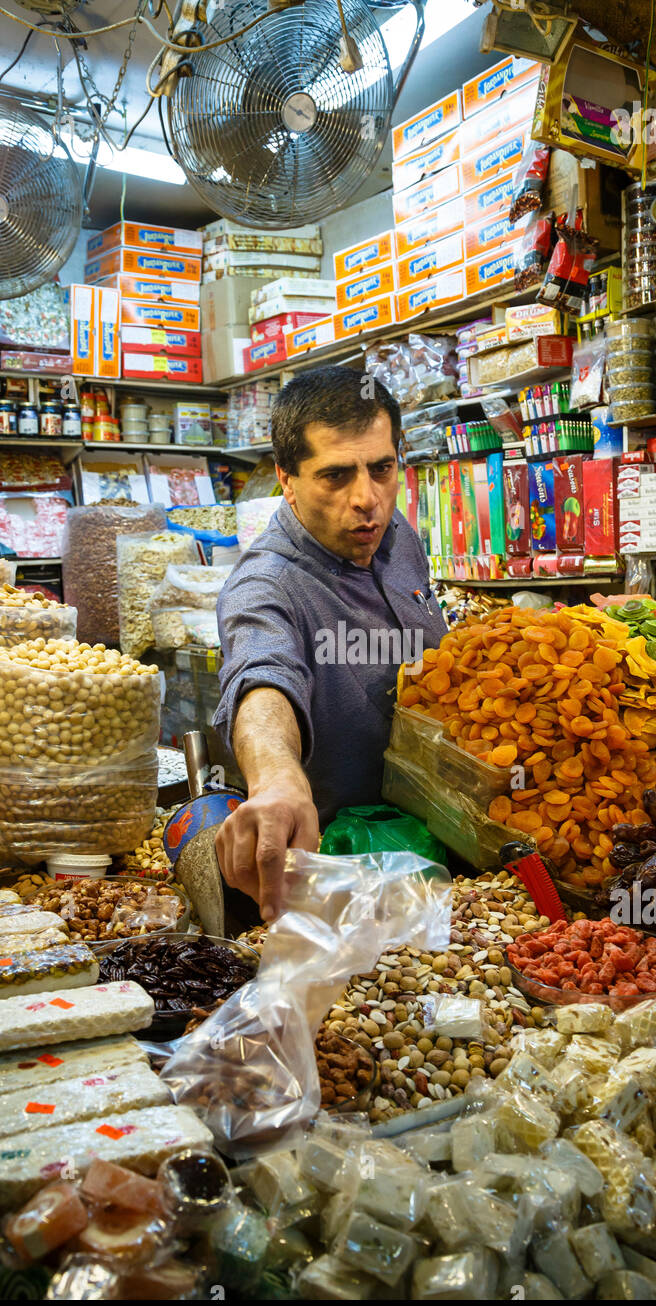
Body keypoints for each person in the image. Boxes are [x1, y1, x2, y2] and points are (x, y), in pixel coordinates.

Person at [214, 364, 447, 921]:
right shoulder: (265, 583)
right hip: (336, 880)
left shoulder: (396, 536)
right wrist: (274, 780)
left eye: (382, 468)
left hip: (435, 857)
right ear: (286, 480)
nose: (367, 498)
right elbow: (261, 673)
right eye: (336, 476)